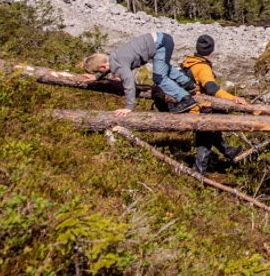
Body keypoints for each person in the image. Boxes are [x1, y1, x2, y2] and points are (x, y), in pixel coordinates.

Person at [178, 34, 245, 175]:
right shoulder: (202, 67)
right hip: (200, 108)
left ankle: (228, 151)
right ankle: (198, 173)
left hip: (190, 105)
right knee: (205, 139)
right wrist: (233, 98)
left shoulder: (189, 61)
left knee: (212, 130)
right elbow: (211, 88)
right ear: (211, 50)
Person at [83, 31, 194, 114]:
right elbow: (107, 67)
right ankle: (188, 83)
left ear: (102, 66)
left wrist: (128, 107)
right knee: (163, 67)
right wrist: (96, 77)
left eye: (99, 71)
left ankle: (186, 99)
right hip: (161, 39)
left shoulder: (120, 65)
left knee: (159, 78)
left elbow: (129, 84)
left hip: (161, 44)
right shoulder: (113, 57)